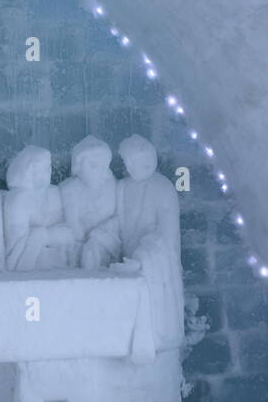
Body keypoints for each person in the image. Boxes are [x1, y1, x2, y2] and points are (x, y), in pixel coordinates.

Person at [115, 134, 185, 351]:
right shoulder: (123, 187)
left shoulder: (163, 188)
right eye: (130, 162)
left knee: (154, 312)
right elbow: (117, 223)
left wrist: (143, 258)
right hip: (126, 257)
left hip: (155, 264)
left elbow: (166, 237)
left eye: (142, 161)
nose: (135, 166)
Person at [2, 145, 72, 270]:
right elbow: (17, 243)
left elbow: (67, 233)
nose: (46, 173)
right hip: (28, 265)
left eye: (48, 168)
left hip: (57, 262)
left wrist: (44, 235)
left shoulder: (53, 193)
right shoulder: (18, 199)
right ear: (27, 171)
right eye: (40, 169)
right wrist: (47, 236)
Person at [59, 136, 121, 269]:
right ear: (78, 166)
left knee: (95, 250)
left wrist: (100, 235)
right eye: (92, 165)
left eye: (102, 165)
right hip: (77, 243)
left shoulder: (113, 186)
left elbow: (118, 217)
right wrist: (84, 239)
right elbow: (72, 221)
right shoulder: (69, 189)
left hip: (106, 241)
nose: (98, 170)